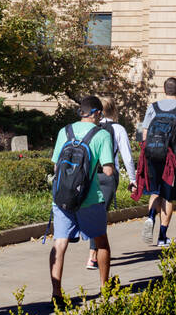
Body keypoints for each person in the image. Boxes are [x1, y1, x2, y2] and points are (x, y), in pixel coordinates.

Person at [50, 96, 116, 301]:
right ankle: (104, 288)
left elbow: (55, 165)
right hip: (89, 199)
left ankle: (56, 294)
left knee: (59, 244)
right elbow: (107, 171)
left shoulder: (65, 131)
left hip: (62, 197)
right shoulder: (102, 135)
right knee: (101, 241)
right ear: (96, 113)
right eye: (100, 115)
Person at [139, 78, 176, 247]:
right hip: (172, 158)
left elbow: (145, 133)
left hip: (152, 156)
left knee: (155, 191)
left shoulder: (153, 107)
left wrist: (147, 153)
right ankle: (162, 237)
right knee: (168, 196)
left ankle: (150, 217)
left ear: (164, 89)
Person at [86, 105, 135, 270]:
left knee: (94, 212)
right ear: (114, 111)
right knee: (100, 215)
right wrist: (132, 179)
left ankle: (95, 253)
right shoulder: (118, 128)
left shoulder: (90, 126)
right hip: (108, 176)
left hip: (90, 175)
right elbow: (127, 156)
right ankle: (93, 256)